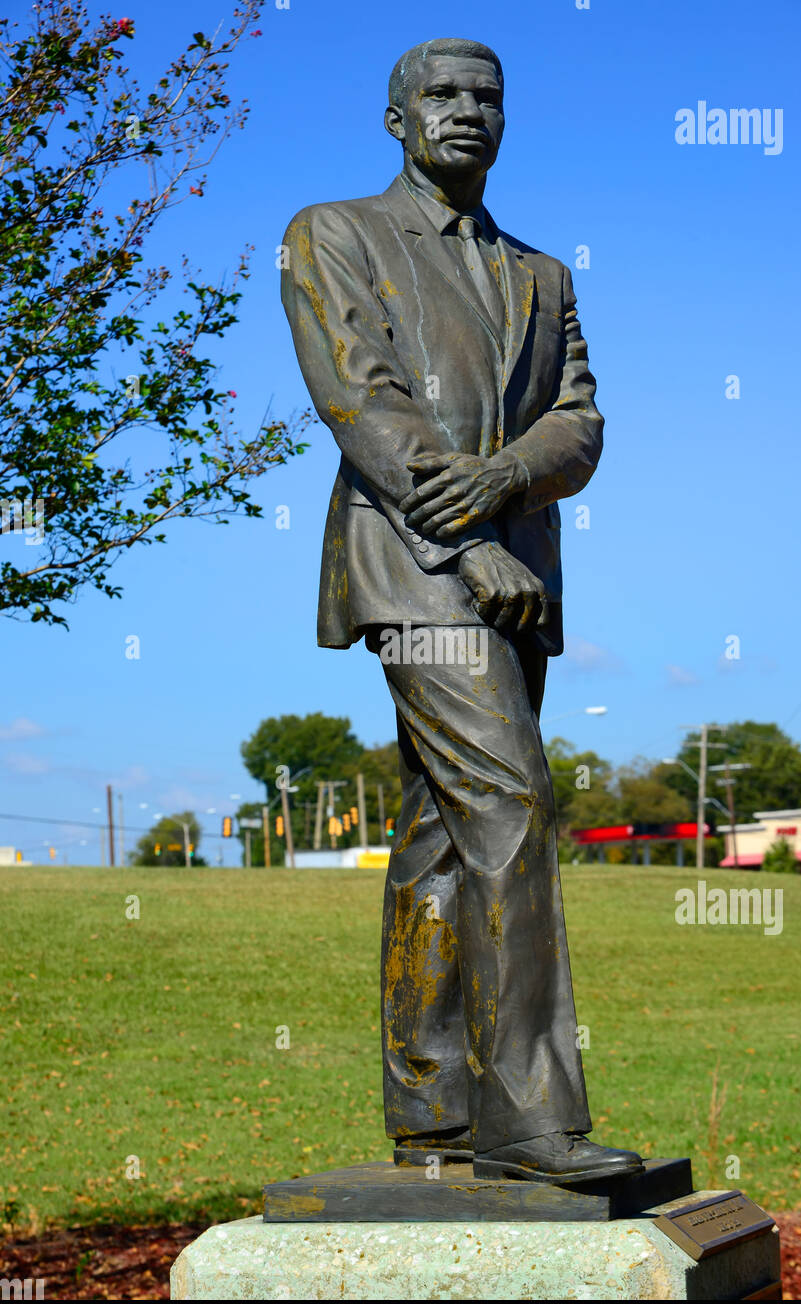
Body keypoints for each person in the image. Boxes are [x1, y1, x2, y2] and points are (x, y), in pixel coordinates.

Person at [280, 37, 643, 1185]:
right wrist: (467, 533)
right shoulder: (333, 233)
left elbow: (579, 425)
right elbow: (361, 399)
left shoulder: (544, 274)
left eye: (487, 97)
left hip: (519, 581)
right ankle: (531, 1119)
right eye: (441, 94)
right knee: (511, 803)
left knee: (443, 831)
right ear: (396, 116)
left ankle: (433, 1106)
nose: (467, 112)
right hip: (419, 570)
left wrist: (504, 490)